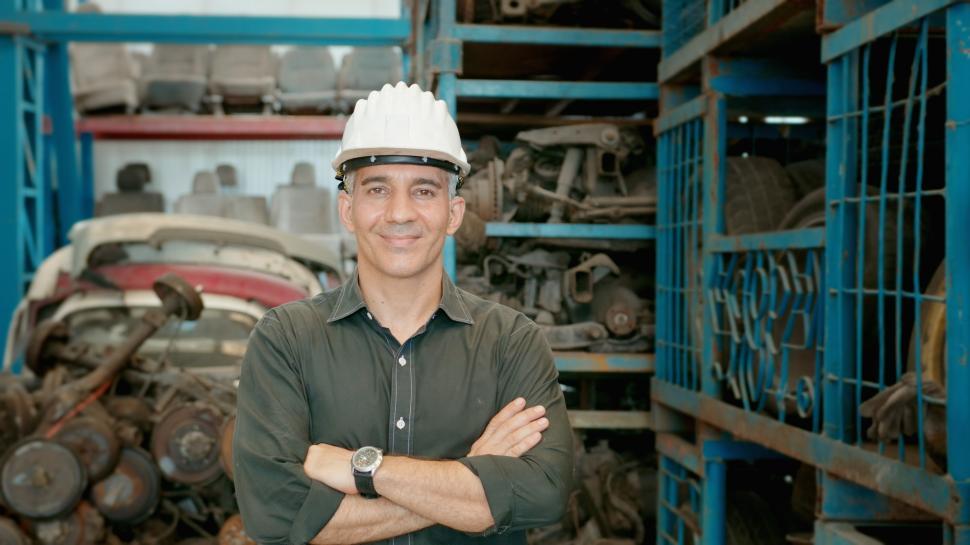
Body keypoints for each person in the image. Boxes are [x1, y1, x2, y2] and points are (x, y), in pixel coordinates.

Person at [233, 82, 573, 545]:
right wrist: (468, 481)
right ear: (348, 209)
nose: (399, 213)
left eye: (424, 191)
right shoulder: (286, 340)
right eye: (377, 189)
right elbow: (276, 518)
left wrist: (361, 469)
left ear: (454, 213)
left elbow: (543, 494)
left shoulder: (511, 341)